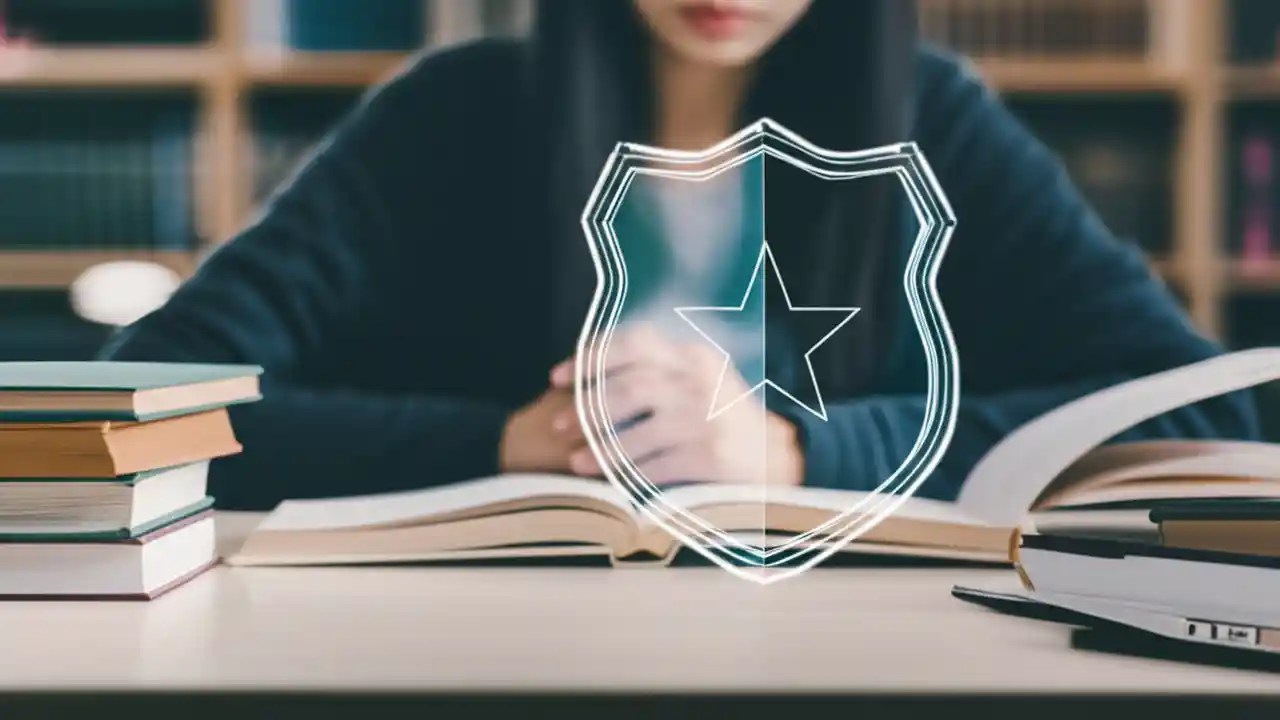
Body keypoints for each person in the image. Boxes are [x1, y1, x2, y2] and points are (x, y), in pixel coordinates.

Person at [101, 0, 1257, 509]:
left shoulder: (932, 123)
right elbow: (141, 405)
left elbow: (1198, 416)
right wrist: (499, 443)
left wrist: (804, 453)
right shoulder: (455, 115)